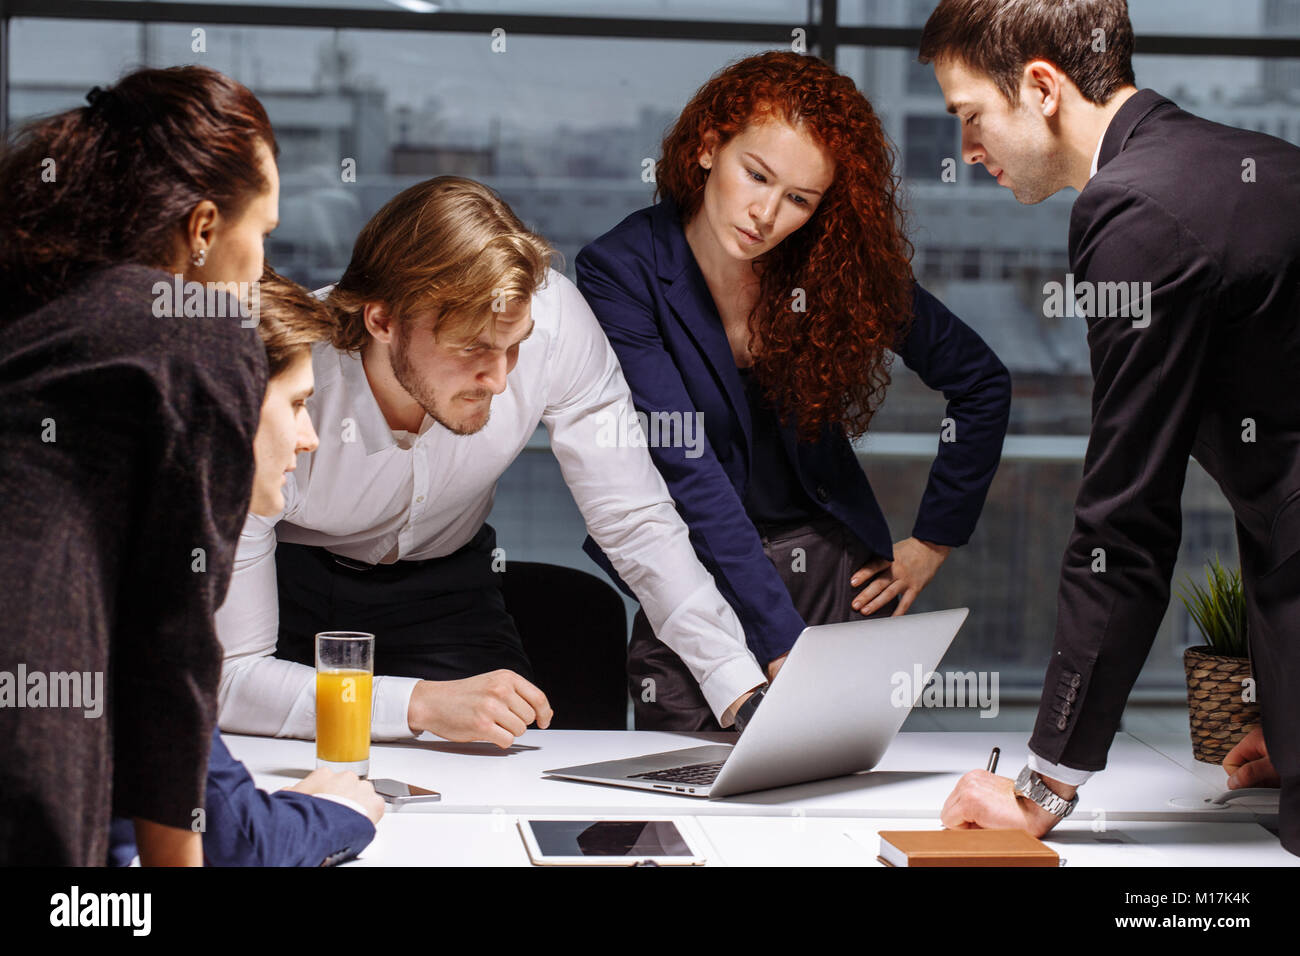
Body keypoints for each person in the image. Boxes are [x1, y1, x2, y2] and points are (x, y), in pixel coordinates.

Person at [919, 0, 1300, 856]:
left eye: (970, 116)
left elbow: (1125, 519)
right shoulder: (1256, 164)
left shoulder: (1134, 213)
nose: (968, 150)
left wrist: (1042, 786)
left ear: (1042, 87)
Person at [214, 176, 772, 750]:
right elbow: (231, 679)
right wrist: (418, 703)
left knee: (504, 760)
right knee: (286, 777)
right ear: (382, 322)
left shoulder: (552, 323)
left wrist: (738, 685)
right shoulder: (280, 388)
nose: (502, 380)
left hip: (447, 593)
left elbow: (634, 519)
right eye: (471, 349)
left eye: (514, 347)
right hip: (293, 590)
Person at [575, 51, 1012, 730]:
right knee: (687, 806)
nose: (766, 214)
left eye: (800, 200)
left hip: (836, 577)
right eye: (756, 176)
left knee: (831, 806)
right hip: (698, 586)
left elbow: (982, 382)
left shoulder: (834, 268)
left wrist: (934, 538)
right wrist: (781, 640)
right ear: (707, 147)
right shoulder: (622, 269)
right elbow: (689, 469)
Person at [0, 66, 277, 866]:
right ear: (201, 228)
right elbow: (173, 645)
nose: (261, 271)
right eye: (263, 235)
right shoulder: (193, 332)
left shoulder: (35, 312)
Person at [108, 270, 384, 866]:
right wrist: (340, 813)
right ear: (226, 407)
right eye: (296, 404)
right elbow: (239, 842)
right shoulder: (139, 586)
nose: (309, 438)